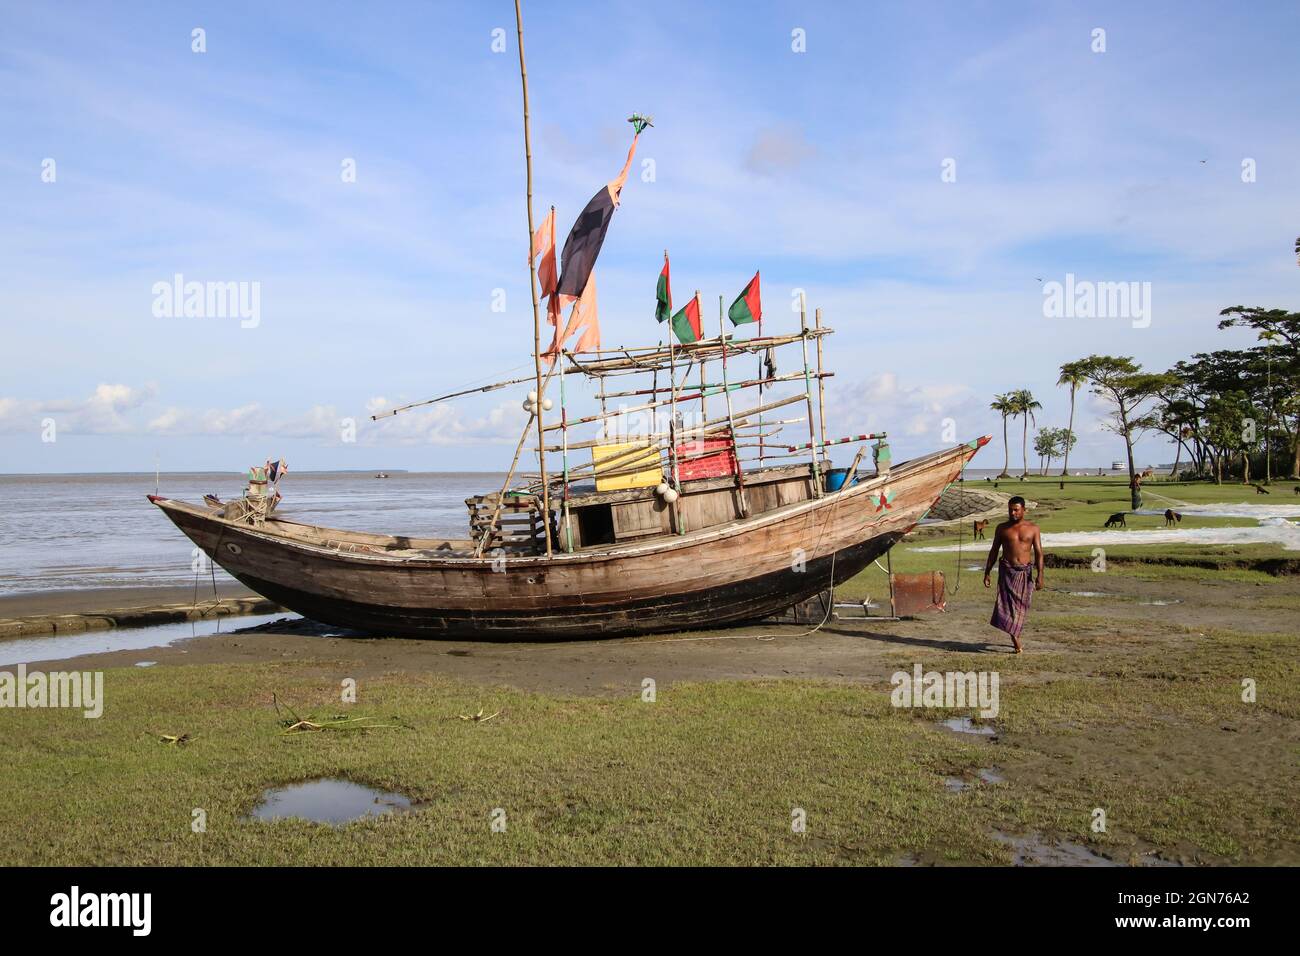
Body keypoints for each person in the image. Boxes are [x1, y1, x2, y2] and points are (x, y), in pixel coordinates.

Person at [983, 495, 1044, 653]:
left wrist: (1040, 575)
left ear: (1024, 510)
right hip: (1006, 572)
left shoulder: (1033, 529)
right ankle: (1015, 637)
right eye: (1010, 510)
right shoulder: (1002, 528)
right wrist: (987, 572)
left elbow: (1039, 553)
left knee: (1022, 606)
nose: (1012, 513)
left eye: (1016, 510)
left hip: (1024, 574)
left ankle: (1014, 633)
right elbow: (994, 551)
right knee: (1007, 606)